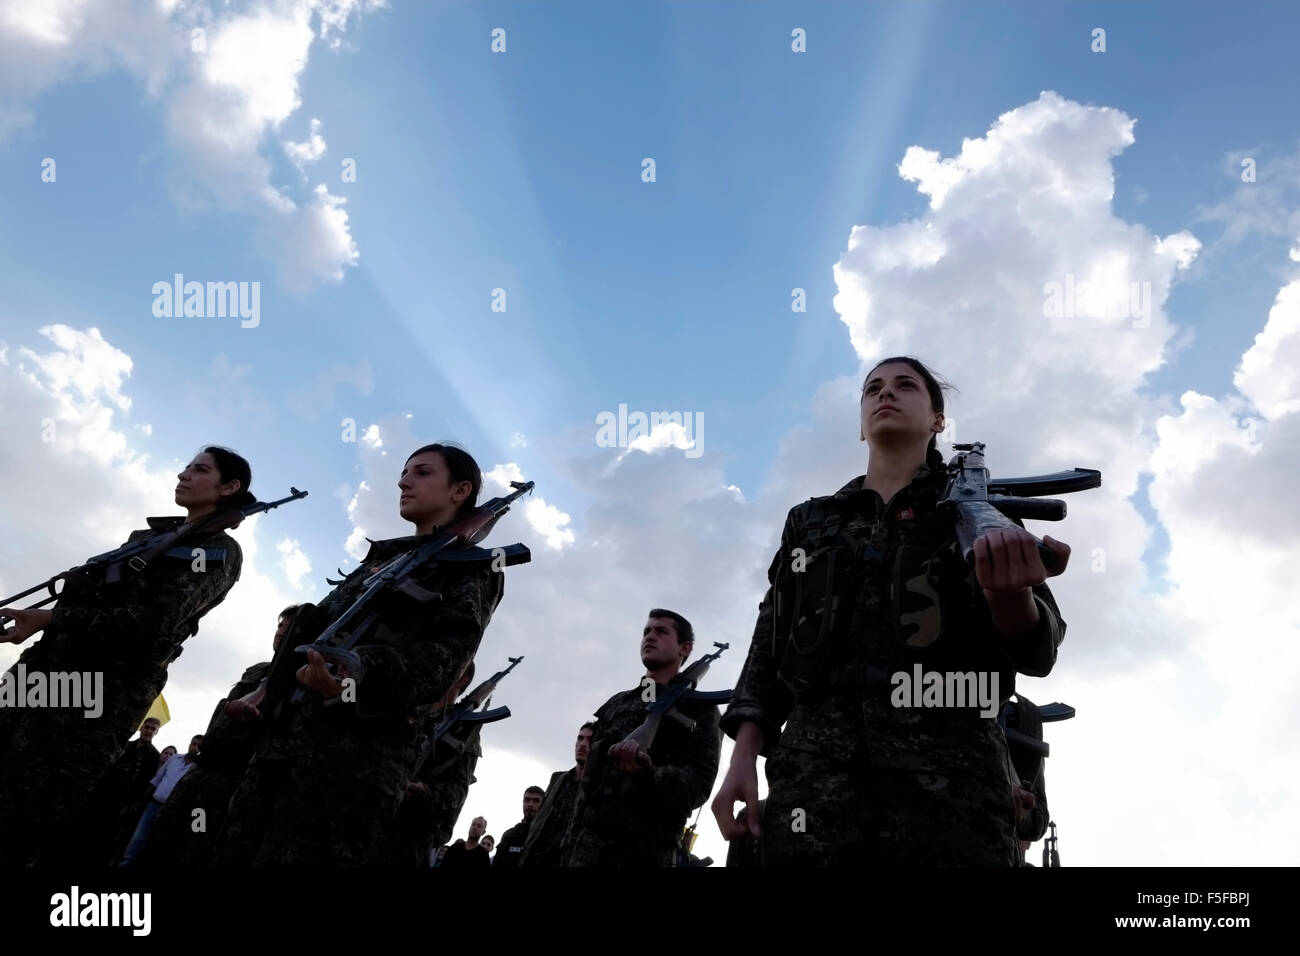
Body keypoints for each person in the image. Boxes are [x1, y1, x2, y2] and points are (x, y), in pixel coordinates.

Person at [712, 356, 1071, 866]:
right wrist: (742, 756)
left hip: (950, 789)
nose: (886, 393)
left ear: (937, 421)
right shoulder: (812, 521)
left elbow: (1039, 651)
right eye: (873, 388)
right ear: (861, 426)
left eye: (906, 386)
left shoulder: (979, 511)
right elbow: (769, 642)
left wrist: (1009, 595)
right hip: (815, 784)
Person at [216, 443, 507, 866]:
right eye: (404, 473)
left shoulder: (474, 568)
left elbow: (442, 662)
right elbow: (316, 633)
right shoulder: (383, 559)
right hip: (281, 750)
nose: (404, 482)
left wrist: (357, 669)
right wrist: (265, 690)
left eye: (422, 473)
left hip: (352, 768)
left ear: (460, 490)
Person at [0, 446, 250, 866]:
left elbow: (150, 625)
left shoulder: (217, 550)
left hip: (95, 696)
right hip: (42, 673)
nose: (184, 474)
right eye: (186, 466)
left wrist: (49, 620)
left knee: (24, 814)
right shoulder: (150, 538)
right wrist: (43, 622)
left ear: (229, 487)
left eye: (200, 470)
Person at [138, 606, 306, 867]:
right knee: (158, 841)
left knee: (192, 847)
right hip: (200, 770)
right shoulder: (257, 670)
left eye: (288, 627)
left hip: (227, 782)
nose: (280, 632)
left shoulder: (295, 680)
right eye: (279, 626)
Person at [565, 610, 721, 867]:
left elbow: (699, 786)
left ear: (685, 648)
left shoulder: (700, 710)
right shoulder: (616, 704)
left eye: (661, 631)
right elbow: (587, 785)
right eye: (647, 631)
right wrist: (570, 845)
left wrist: (649, 774)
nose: (649, 637)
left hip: (648, 851)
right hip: (588, 848)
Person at [380, 663, 482, 867]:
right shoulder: (410, 710)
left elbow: (457, 791)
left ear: (462, 680)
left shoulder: (464, 731)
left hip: (408, 834)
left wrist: (424, 792)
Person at [118, 734, 203, 865]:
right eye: (194, 743)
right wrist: (141, 800)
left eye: (198, 745)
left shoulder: (198, 769)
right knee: (136, 840)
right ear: (190, 743)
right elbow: (157, 779)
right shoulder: (174, 759)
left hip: (171, 812)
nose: (195, 747)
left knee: (154, 846)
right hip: (153, 805)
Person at [519, 723, 593, 868]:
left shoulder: (596, 786)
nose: (583, 744)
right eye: (580, 738)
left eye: (589, 740)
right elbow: (540, 821)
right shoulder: (559, 779)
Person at [492, 786, 544, 868]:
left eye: (536, 801)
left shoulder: (547, 835)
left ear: (543, 804)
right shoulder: (509, 835)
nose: (530, 804)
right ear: (523, 802)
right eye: (527, 800)